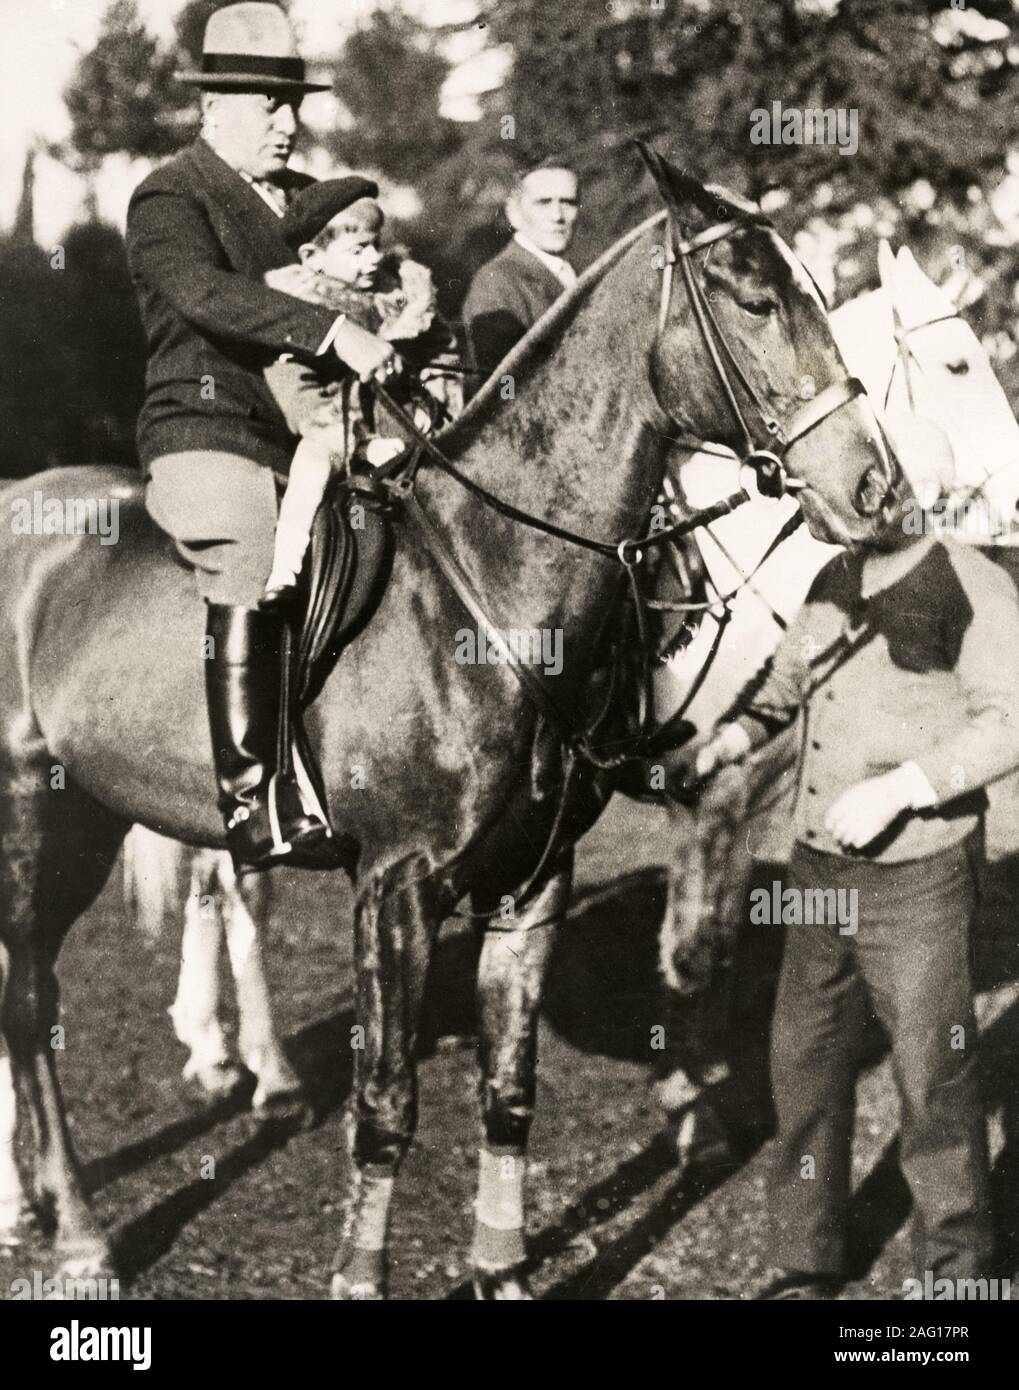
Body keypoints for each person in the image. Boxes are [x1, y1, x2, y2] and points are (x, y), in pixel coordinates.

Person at [691, 438, 1019, 1299]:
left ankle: (957, 1284)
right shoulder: (832, 580)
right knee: (801, 1065)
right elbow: (785, 681)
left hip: (917, 878)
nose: (827, 501)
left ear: (899, 485)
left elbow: (1010, 719)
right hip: (815, 877)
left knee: (932, 1085)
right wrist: (733, 734)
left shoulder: (969, 580)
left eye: (850, 486)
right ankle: (805, 1260)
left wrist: (905, 789)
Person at [126, 3, 400, 870]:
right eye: (268, 106)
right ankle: (252, 801)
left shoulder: (281, 202)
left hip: (296, 436)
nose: (288, 123)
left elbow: (344, 204)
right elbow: (205, 294)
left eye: (293, 106)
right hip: (202, 428)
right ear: (214, 109)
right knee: (248, 538)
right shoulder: (170, 194)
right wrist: (332, 332)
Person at [258, 178, 459, 610]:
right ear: (312, 258)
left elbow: (443, 354)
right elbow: (294, 390)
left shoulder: (405, 298)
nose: (372, 260)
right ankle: (286, 565)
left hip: (410, 421)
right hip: (340, 429)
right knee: (310, 464)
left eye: (374, 246)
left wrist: (435, 397)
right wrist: (345, 436)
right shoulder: (302, 311)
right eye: (356, 251)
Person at [461, 160, 580, 389]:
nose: (558, 215)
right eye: (543, 203)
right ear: (514, 213)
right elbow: (504, 392)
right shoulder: (495, 282)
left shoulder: (575, 272)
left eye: (569, 202)